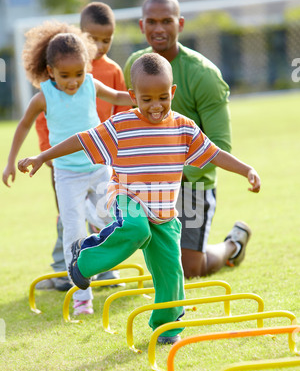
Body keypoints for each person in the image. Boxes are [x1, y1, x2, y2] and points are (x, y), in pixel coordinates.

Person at [18, 53, 261, 343]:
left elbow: (214, 153)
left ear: (172, 92)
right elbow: (82, 140)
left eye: (162, 98)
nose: (155, 106)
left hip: (164, 213)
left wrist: (246, 169)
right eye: (146, 100)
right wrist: (43, 155)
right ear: (133, 97)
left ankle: (167, 327)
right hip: (128, 199)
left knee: (171, 272)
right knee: (136, 229)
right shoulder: (121, 124)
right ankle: (83, 261)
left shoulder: (184, 128)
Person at [2, 21, 132, 315]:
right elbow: (23, 126)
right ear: (50, 72)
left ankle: (99, 250)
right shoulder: (44, 96)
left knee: (109, 217)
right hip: (67, 174)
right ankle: (81, 297)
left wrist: (145, 98)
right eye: (65, 76)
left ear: (87, 67)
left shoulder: (90, 84)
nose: (73, 82)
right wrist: (10, 161)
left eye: (78, 73)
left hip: (99, 166)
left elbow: (117, 97)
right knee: (73, 231)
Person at [123, 0, 250, 279]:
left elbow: (220, 144)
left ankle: (233, 244)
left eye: (166, 21)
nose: (158, 29)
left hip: (193, 182)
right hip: (148, 180)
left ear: (179, 24)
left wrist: (172, 169)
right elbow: (128, 123)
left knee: (189, 270)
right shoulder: (134, 65)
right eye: (151, 21)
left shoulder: (204, 75)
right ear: (141, 26)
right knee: (159, 257)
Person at [35, 2, 131, 291]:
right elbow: (43, 116)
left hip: (99, 159)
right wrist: (46, 151)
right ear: (80, 35)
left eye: (106, 39)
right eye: (93, 38)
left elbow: (118, 108)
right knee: (69, 216)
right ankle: (62, 269)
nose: (100, 45)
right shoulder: (64, 66)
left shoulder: (110, 71)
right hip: (64, 158)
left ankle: (101, 267)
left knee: (103, 211)